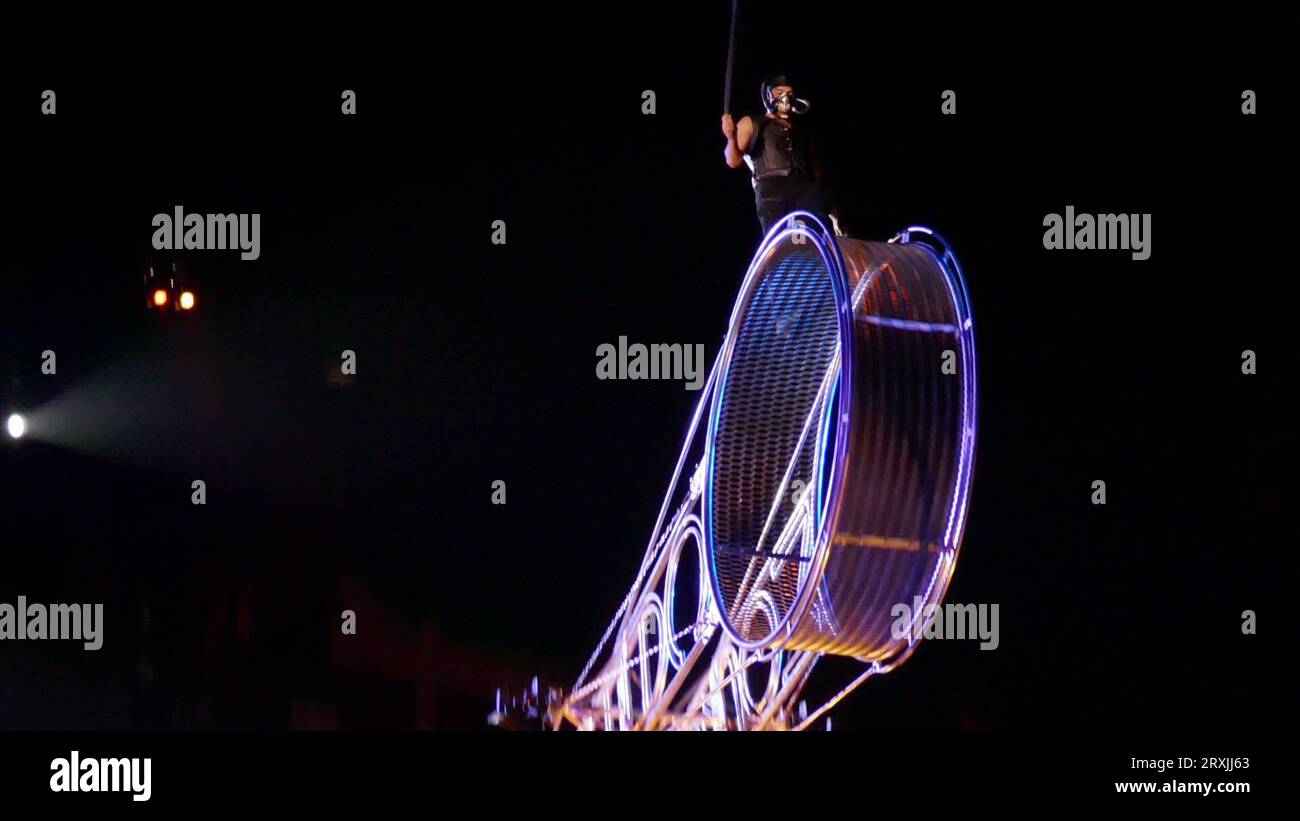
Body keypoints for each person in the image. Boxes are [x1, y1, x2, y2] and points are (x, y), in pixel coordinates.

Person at [721, 75, 830, 235]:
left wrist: (833, 212)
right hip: (773, 190)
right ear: (768, 96)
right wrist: (730, 137)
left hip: (805, 191)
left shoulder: (802, 130)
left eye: (790, 93)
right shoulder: (753, 122)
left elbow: (819, 172)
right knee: (781, 243)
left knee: (811, 239)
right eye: (779, 92)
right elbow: (733, 161)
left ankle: (811, 256)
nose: (786, 98)